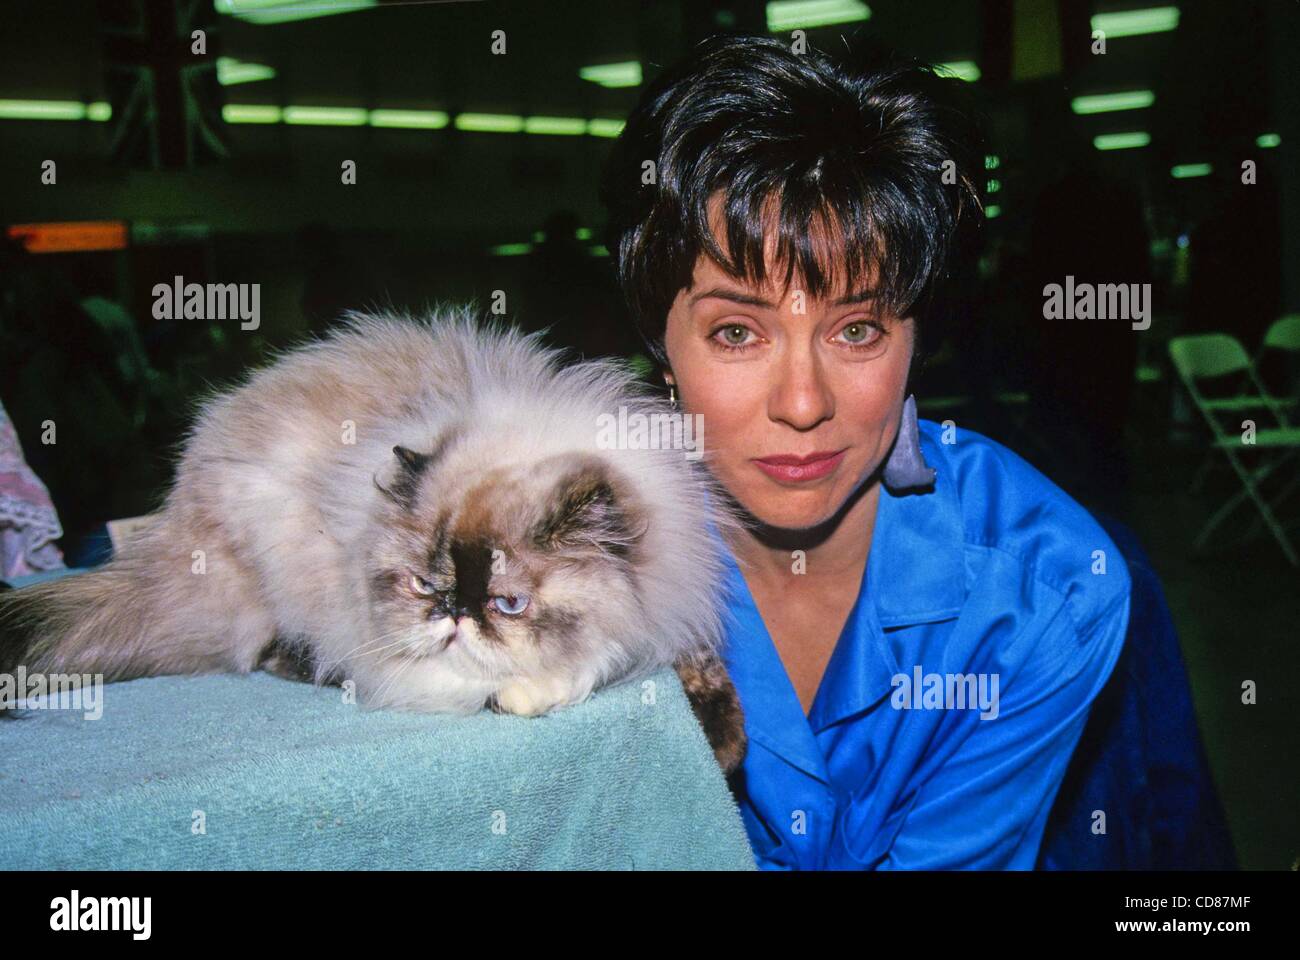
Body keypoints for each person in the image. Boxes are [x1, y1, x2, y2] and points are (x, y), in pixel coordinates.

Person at [599, 34, 1131, 869]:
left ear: (918, 340)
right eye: (737, 333)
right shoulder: (572, 563)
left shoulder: (1044, 594)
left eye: (858, 330)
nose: (804, 404)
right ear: (658, 346)